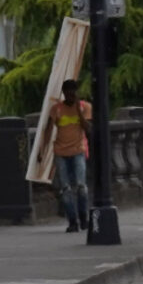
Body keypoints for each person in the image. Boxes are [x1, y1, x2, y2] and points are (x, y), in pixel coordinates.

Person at [48, 79, 92, 233]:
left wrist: (78, 110)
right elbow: (48, 130)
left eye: (73, 92)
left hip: (78, 150)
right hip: (61, 152)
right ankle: (73, 221)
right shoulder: (56, 109)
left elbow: (87, 128)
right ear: (64, 93)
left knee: (81, 186)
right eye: (67, 93)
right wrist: (43, 151)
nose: (70, 96)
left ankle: (83, 218)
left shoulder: (85, 107)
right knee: (65, 189)